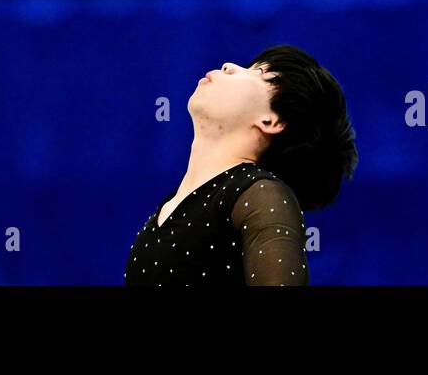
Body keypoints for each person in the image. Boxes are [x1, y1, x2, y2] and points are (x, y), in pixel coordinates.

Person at [124, 45, 357, 286]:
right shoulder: (170, 205)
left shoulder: (262, 196)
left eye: (261, 74)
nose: (229, 66)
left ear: (272, 120)